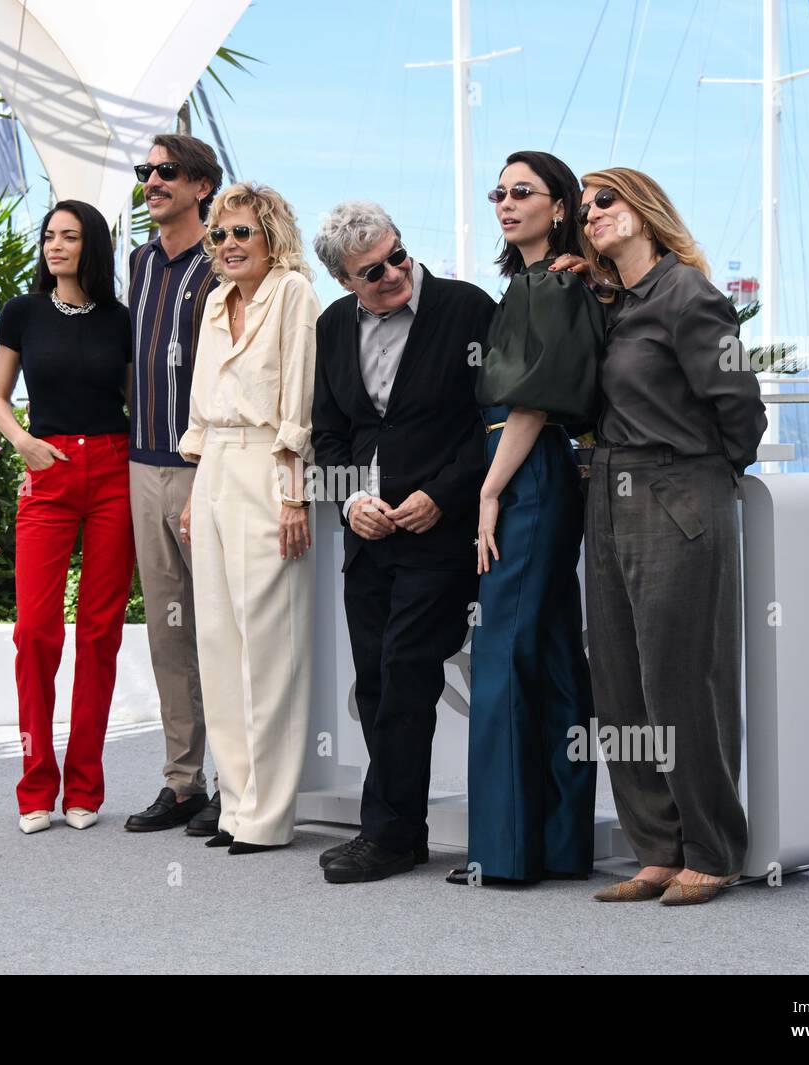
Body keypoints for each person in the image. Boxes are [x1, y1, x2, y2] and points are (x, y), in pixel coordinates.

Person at [577, 167, 767, 905]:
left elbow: (740, 408)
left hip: (677, 492)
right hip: (609, 494)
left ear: (645, 209)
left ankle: (713, 847)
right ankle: (656, 846)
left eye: (606, 200)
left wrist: (703, 476)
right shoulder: (613, 305)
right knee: (621, 682)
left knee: (683, 678)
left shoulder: (688, 293)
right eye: (586, 205)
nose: (591, 213)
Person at [311, 202, 496, 884]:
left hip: (441, 534)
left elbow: (495, 423)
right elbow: (328, 431)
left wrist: (444, 496)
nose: (393, 274)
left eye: (397, 256)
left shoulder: (469, 308)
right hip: (368, 536)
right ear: (343, 280)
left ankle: (384, 835)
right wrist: (353, 499)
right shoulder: (334, 327)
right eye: (371, 271)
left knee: (406, 675)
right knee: (376, 684)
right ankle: (402, 830)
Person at [446, 151, 603, 888]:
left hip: (523, 471)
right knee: (550, 650)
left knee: (504, 650)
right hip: (538, 471)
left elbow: (533, 404)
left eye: (523, 192)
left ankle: (504, 850)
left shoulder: (552, 285)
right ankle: (559, 841)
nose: (505, 203)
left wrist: (488, 492)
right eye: (497, 191)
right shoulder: (542, 284)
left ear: (561, 205)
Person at [177, 182, 320, 853]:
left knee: (270, 646)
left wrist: (293, 492)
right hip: (213, 471)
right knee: (219, 644)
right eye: (221, 235)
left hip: (270, 463)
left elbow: (299, 401)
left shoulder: (292, 293)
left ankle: (268, 813)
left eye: (242, 233)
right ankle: (235, 803)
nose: (229, 245)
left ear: (271, 236)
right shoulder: (212, 304)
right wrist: (192, 491)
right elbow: (202, 414)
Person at [0, 200, 135, 834]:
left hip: (112, 470)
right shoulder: (21, 313)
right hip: (46, 470)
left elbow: (136, 401)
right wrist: (23, 443)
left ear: (91, 247)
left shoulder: (119, 321)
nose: (55, 246)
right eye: (49, 236)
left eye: (69, 237)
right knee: (35, 632)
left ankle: (85, 786)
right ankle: (34, 785)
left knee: (100, 631)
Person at [122, 134, 226, 837]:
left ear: (201, 186)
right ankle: (183, 782)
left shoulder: (223, 263)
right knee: (169, 632)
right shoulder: (137, 261)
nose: (153, 182)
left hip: (205, 466)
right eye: (147, 172)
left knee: (218, 627)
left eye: (167, 172)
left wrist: (211, 467)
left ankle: (234, 782)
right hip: (141, 463)